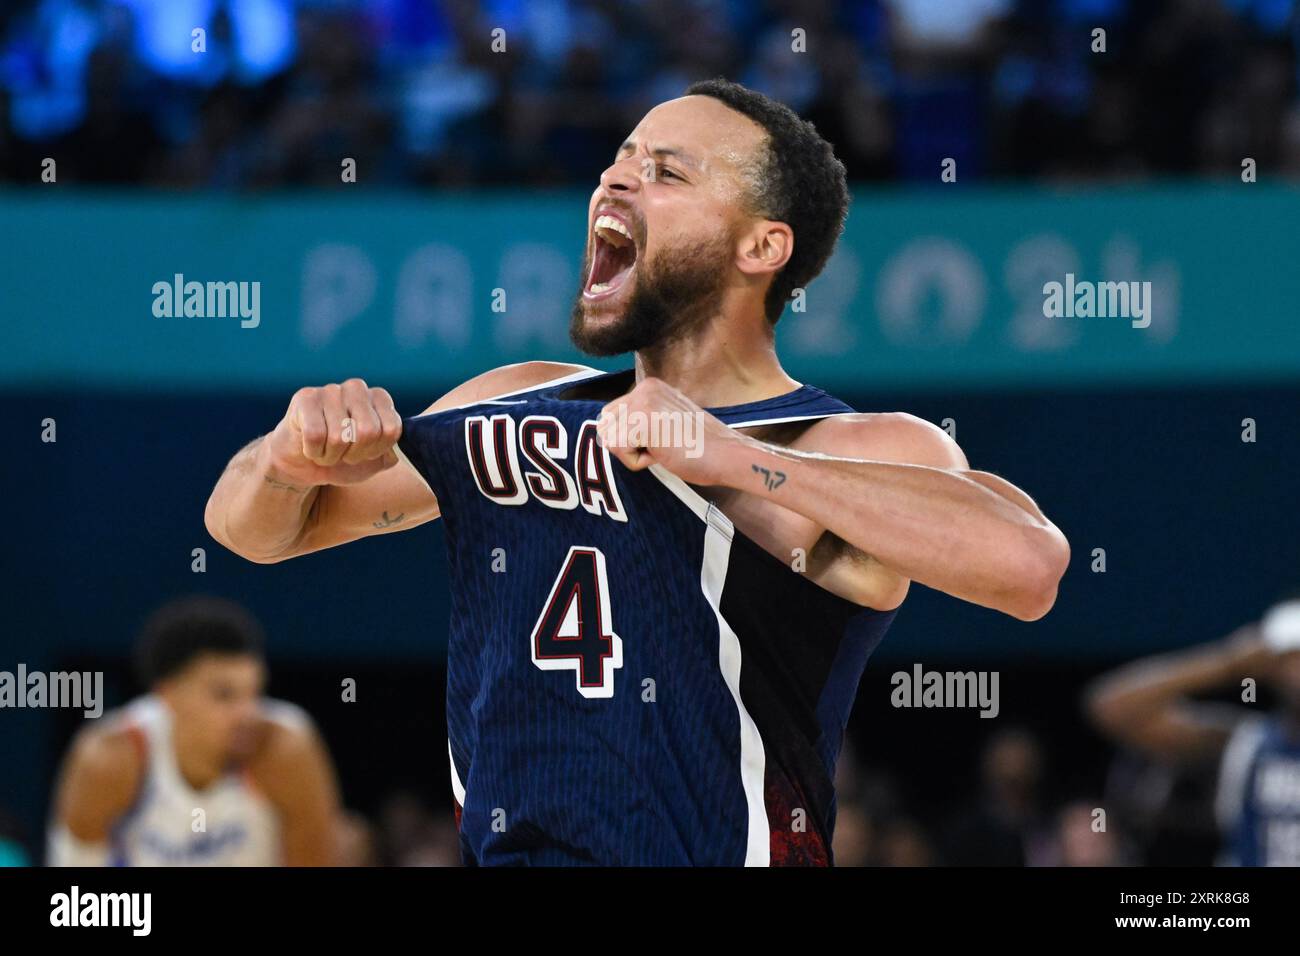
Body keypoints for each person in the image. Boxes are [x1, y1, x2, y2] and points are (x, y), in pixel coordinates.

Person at [205, 79, 1069, 865]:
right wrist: (284, 456)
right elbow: (255, 530)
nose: (616, 182)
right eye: (618, 161)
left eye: (665, 172)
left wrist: (735, 459)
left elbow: (1027, 568)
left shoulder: (829, 441)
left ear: (762, 246)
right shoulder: (521, 399)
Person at [49, 596, 341, 866]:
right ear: (168, 695)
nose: (248, 713)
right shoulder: (110, 758)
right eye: (225, 695)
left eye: (254, 692)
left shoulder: (284, 751)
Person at [1087, 597, 1300, 865]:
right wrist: (1229, 663)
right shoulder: (1243, 742)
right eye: (1293, 658)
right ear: (1271, 667)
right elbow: (1111, 707)